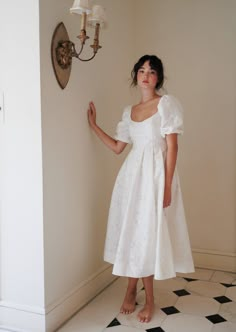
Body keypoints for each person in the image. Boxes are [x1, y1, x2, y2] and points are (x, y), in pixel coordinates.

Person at [87, 55, 194, 323]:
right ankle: (131, 287)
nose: (146, 75)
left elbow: (172, 147)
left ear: (159, 78)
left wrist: (167, 186)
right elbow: (117, 147)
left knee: (148, 234)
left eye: (152, 71)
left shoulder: (166, 104)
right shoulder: (128, 111)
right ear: (136, 75)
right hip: (131, 178)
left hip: (156, 177)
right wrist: (93, 125)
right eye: (142, 70)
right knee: (133, 232)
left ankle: (150, 298)